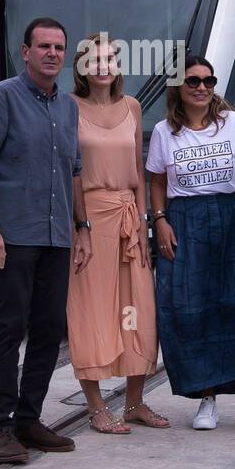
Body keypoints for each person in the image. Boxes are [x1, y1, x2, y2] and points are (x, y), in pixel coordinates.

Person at [0, 17, 92, 464]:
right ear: (26, 52)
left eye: (59, 47)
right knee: (9, 329)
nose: (52, 53)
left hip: (55, 237)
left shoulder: (69, 107)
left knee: (50, 329)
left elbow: (73, 172)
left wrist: (82, 227)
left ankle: (28, 420)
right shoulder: (3, 97)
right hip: (10, 237)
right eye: (44, 46)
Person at [146, 54, 235, 433]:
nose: (201, 88)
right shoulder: (166, 131)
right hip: (184, 221)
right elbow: (158, 181)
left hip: (230, 218)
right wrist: (159, 220)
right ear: (178, 87)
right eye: (193, 81)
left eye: (208, 81)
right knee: (192, 310)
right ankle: (207, 399)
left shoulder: (232, 123)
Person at [67, 33, 168, 434]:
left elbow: (139, 167)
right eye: (94, 60)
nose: (103, 66)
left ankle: (134, 402)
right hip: (90, 217)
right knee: (90, 310)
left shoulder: (132, 106)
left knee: (138, 311)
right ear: (81, 67)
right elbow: (71, 172)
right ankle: (95, 407)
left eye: (109, 59)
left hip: (129, 217)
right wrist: (79, 227)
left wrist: (144, 222)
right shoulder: (68, 107)